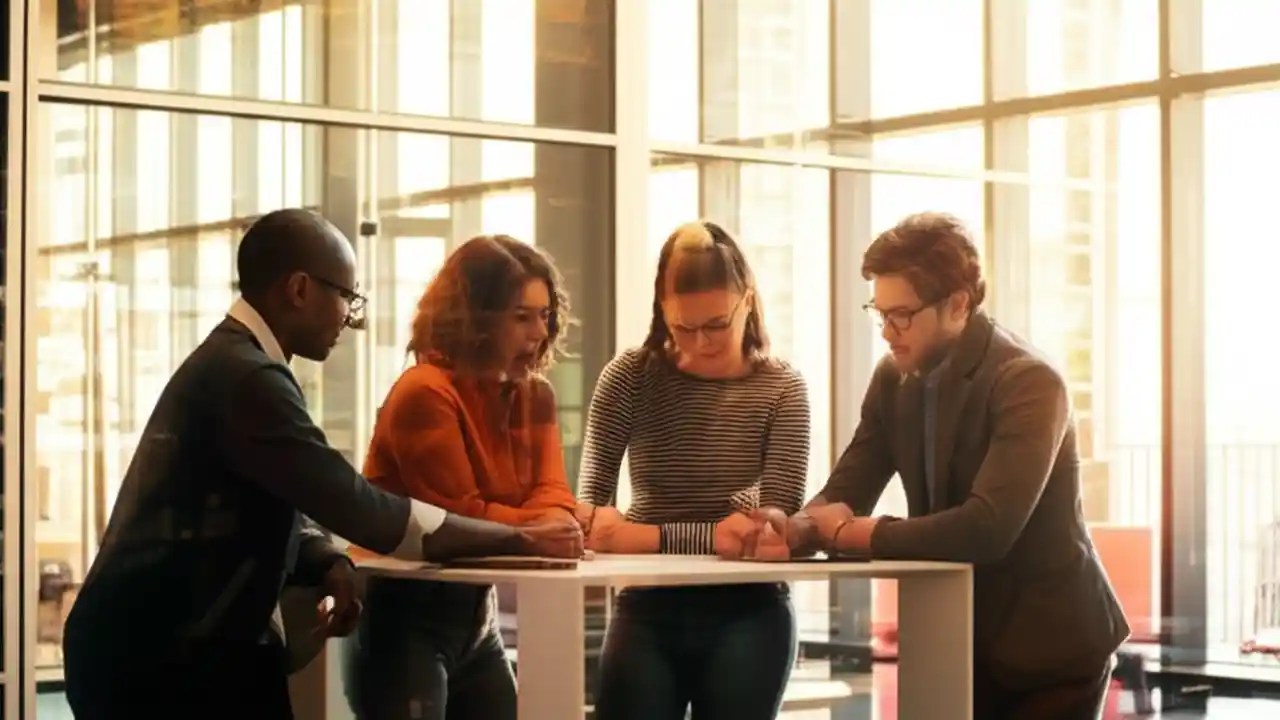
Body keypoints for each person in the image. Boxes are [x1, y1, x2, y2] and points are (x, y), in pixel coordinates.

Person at [61, 210, 582, 719]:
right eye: (345, 297)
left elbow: (275, 496)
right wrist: (520, 538)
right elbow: (360, 509)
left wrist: (323, 560)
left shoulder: (241, 364)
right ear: (300, 289)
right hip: (158, 656)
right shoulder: (248, 377)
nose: (349, 319)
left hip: (176, 645)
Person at [753, 212, 1130, 719]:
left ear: (958, 304)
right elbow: (848, 486)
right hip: (955, 636)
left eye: (901, 315)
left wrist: (849, 534)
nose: (887, 331)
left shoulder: (1029, 381)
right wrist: (792, 530)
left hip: (1050, 651)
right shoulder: (893, 378)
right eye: (879, 312)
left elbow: (987, 528)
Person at [575, 220, 811, 720]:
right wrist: (711, 536)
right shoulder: (630, 377)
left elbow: (770, 536)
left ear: (747, 300)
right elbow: (591, 523)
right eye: (684, 327)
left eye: (717, 324)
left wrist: (641, 536)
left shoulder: (783, 388)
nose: (701, 341)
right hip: (647, 608)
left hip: (749, 610)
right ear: (662, 311)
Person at [346, 235, 579, 720]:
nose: (539, 331)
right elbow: (459, 518)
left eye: (544, 314)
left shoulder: (534, 395)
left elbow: (556, 495)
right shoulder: (423, 392)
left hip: (478, 617)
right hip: (407, 622)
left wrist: (552, 525)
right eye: (521, 316)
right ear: (477, 319)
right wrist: (544, 532)